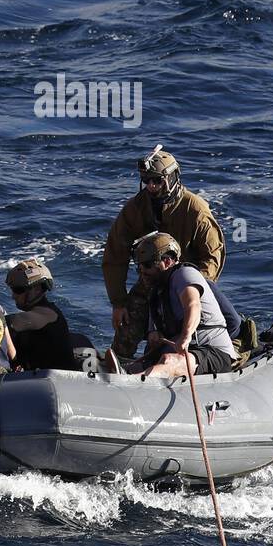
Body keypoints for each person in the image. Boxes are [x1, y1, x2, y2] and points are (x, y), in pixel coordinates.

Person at [103, 146, 225, 361]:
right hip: (150, 281)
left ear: (172, 178)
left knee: (182, 333)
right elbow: (115, 255)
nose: (151, 186)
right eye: (147, 181)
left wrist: (194, 287)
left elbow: (212, 255)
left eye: (157, 181)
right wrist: (118, 302)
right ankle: (120, 370)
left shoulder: (194, 209)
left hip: (185, 283)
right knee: (125, 331)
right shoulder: (136, 208)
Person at [131, 232, 236, 378]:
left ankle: (135, 383)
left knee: (170, 361)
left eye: (148, 265)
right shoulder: (157, 292)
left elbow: (193, 304)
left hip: (212, 351)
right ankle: (122, 374)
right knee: (139, 365)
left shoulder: (184, 274)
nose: (143, 271)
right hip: (176, 351)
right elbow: (155, 330)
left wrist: (186, 336)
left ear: (167, 261)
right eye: (139, 267)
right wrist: (154, 335)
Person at [4, 258, 79, 371]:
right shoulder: (47, 311)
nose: (13, 296)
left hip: (56, 380)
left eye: (17, 290)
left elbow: (8, 322)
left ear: (37, 289)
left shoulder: (46, 315)